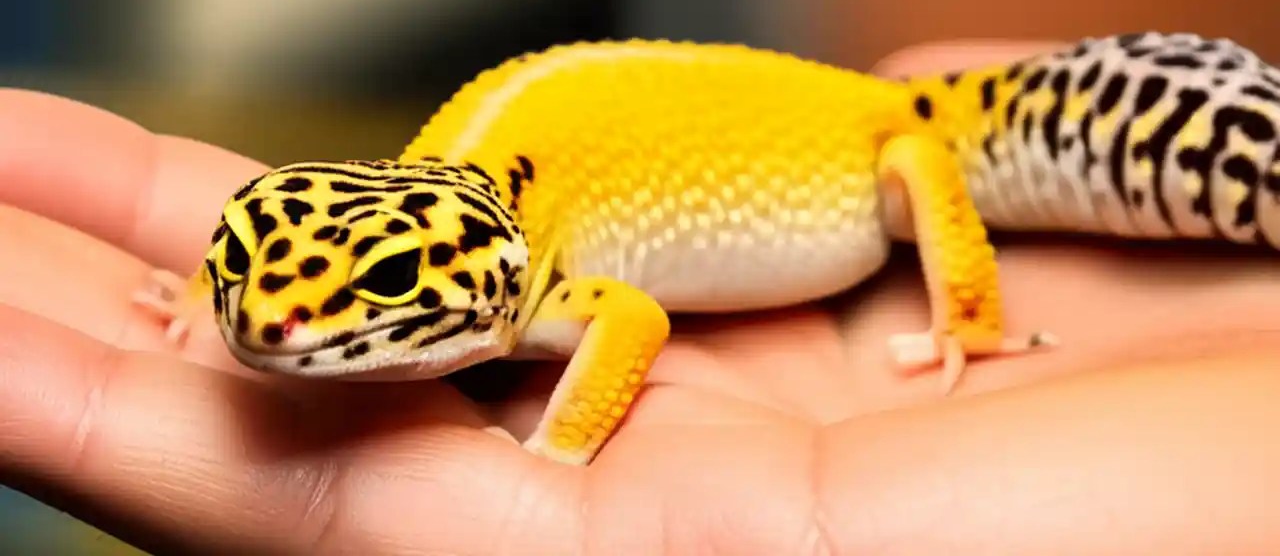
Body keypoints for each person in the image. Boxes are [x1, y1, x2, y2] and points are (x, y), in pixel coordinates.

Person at [0, 41, 1276, 554]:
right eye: (247, 280)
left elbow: (634, 317)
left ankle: (976, 320)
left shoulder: (543, 289)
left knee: (910, 159)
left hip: (902, 141)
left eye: (377, 292)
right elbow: (286, 264)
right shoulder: (414, 250)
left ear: (480, 283)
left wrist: (558, 447)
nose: (276, 327)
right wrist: (207, 295)